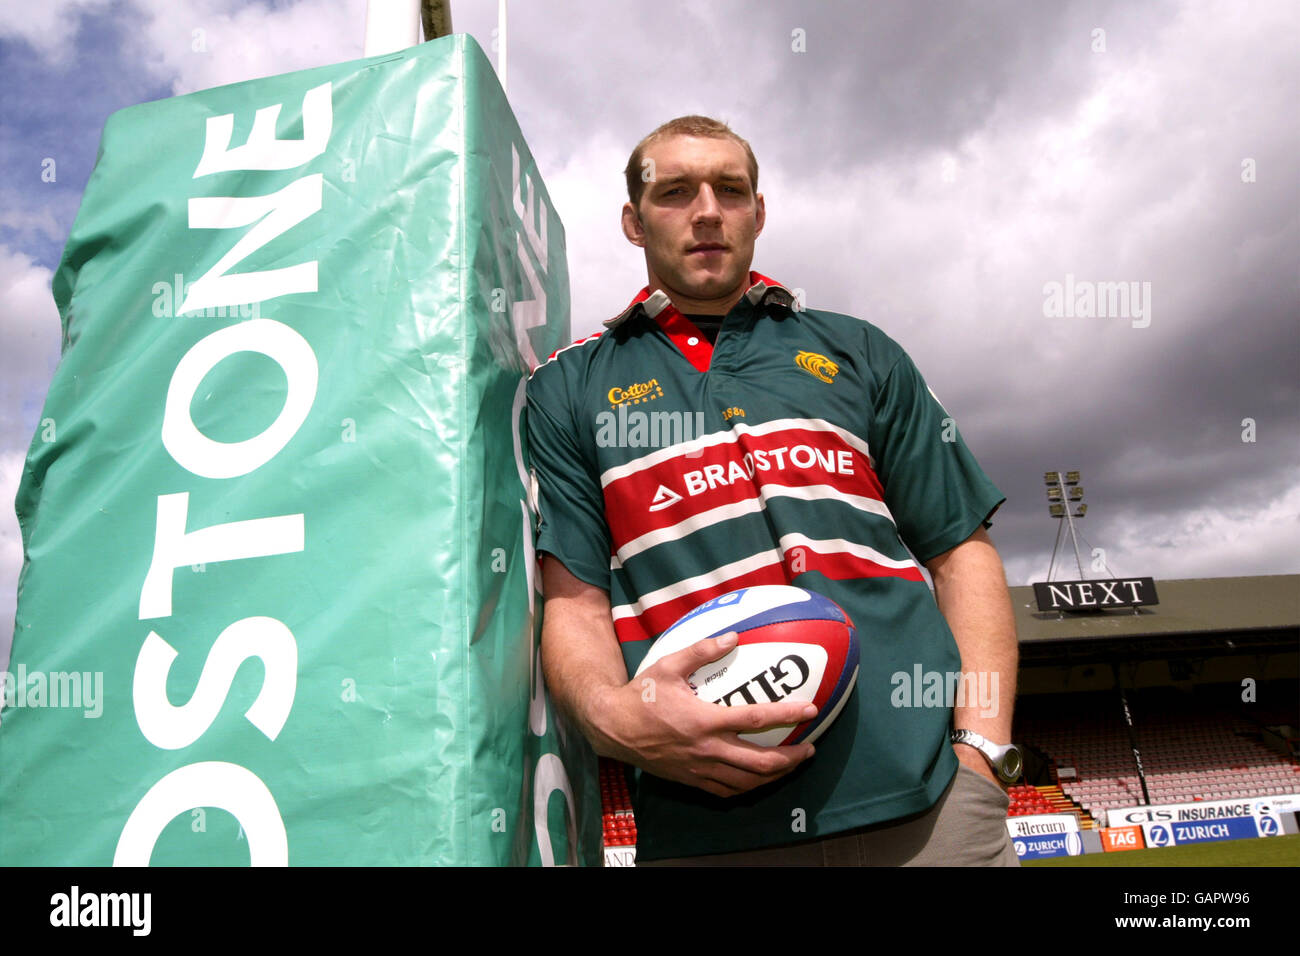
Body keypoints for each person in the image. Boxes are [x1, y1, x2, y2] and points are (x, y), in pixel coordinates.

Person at [525, 115, 1020, 865]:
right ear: (633, 221)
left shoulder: (858, 350)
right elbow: (574, 600)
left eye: (730, 189)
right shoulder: (568, 386)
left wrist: (981, 749)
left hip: (929, 809)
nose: (706, 211)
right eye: (676, 192)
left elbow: (960, 552)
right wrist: (610, 716)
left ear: (758, 211)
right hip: (705, 827)